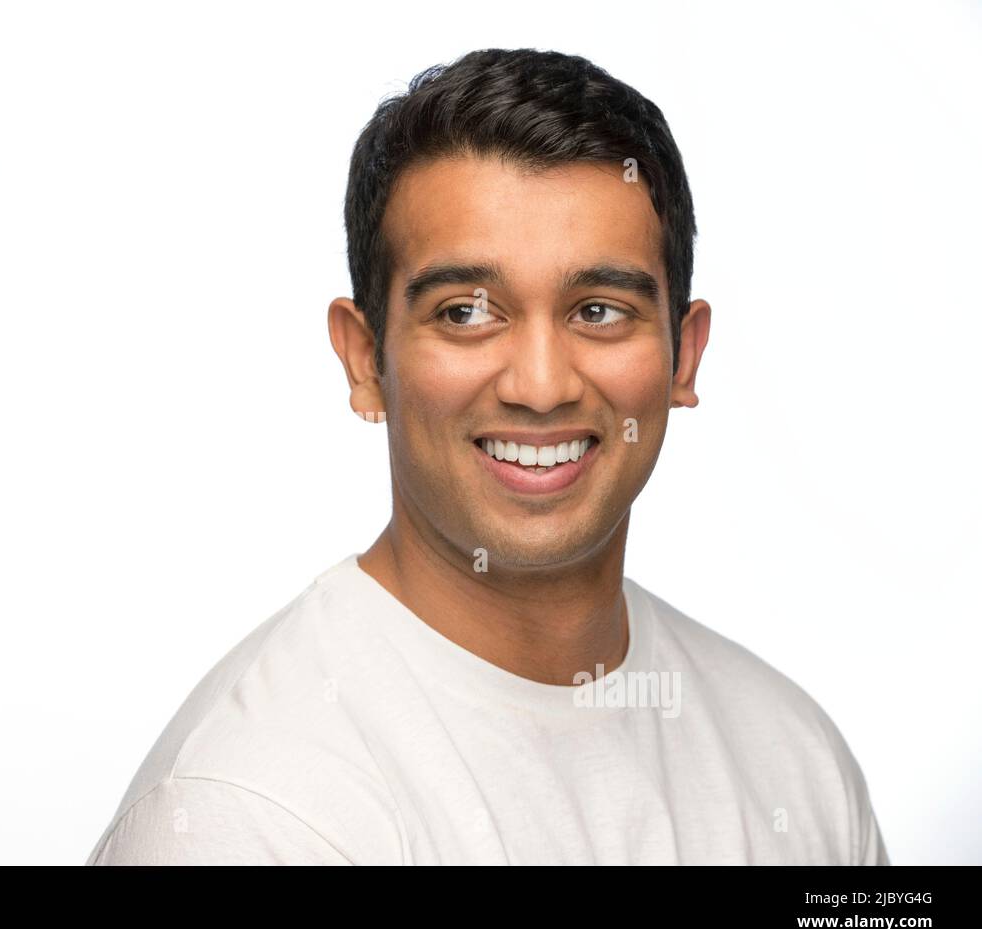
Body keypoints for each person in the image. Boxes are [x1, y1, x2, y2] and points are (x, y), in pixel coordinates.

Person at [86, 47, 889, 865]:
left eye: (600, 309)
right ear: (367, 363)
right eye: (466, 312)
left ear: (683, 358)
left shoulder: (797, 763)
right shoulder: (250, 814)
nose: (540, 387)